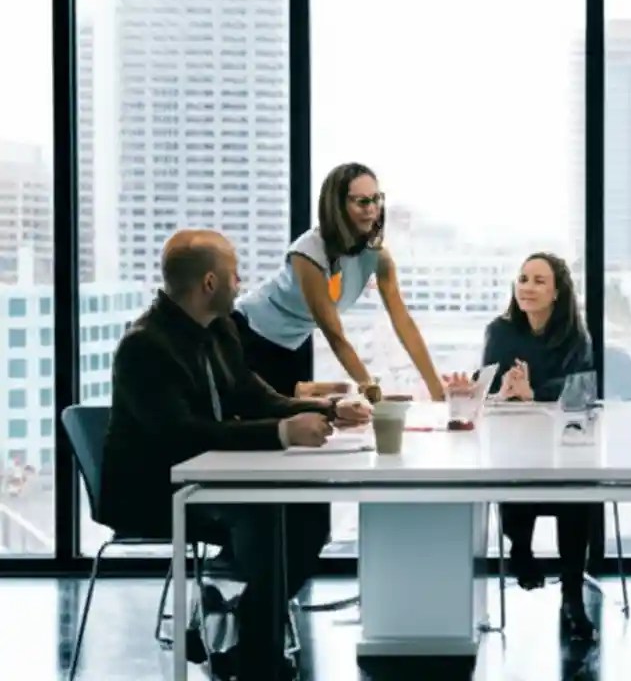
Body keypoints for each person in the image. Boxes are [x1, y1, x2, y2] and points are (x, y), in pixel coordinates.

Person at [102, 230, 371, 680]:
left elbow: (257, 397)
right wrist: (284, 433)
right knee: (265, 515)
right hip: (154, 490)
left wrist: (327, 408)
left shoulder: (220, 328)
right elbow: (183, 437)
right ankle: (256, 656)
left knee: (306, 511)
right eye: (233, 274)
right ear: (209, 283)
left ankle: (242, 628)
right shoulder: (145, 346)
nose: (241, 281)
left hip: (210, 477)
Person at [234, 162, 445, 401]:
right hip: (246, 332)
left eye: (376, 199)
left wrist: (436, 389)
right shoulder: (308, 253)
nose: (372, 209)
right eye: (362, 202)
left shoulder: (377, 257)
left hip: (292, 342)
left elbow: (403, 322)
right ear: (338, 207)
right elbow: (335, 335)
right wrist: (370, 389)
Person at [475, 252, 598, 643]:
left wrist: (535, 393)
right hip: (513, 436)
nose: (527, 287)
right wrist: (505, 392)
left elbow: (583, 391)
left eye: (539, 281)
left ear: (557, 292)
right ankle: (521, 549)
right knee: (513, 474)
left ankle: (572, 596)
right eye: (523, 278)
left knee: (576, 494)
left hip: (563, 439)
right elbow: (486, 388)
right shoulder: (500, 330)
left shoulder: (576, 336)